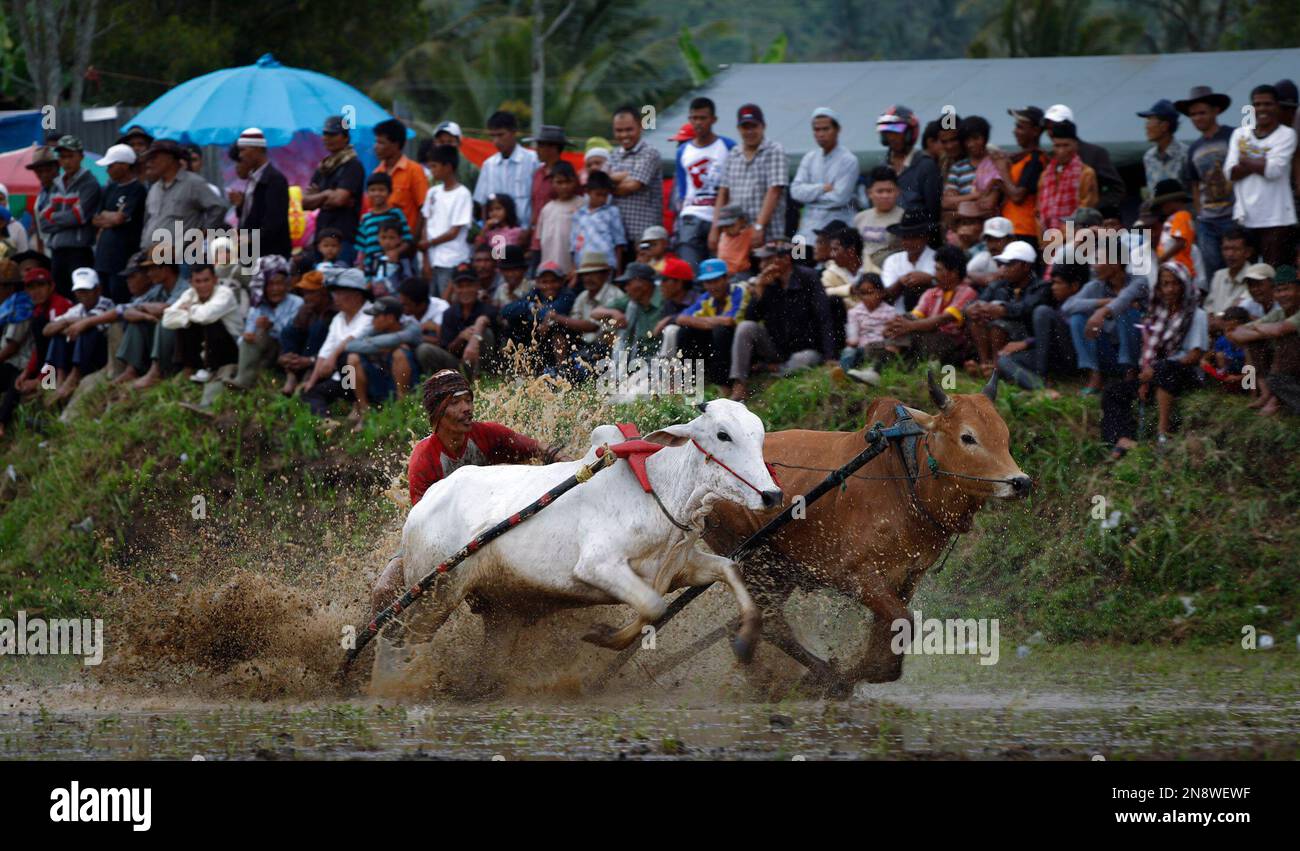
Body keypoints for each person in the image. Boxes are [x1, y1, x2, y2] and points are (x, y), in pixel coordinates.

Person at [370, 369, 556, 615]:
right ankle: (377, 644)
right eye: (456, 402)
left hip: (488, 532)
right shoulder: (424, 458)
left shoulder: (486, 434)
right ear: (438, 412)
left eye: (468, 400)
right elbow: (423, 525)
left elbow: (537, 449)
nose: (466, 408)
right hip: (439, 540)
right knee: (384, 590)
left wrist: (561, 457)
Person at [1101, 262, 1207, 456]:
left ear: (1183, 285)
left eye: (1175, 284)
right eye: (1165, 284)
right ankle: (1123, 439)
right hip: (1156, 371)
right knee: (1113, 392)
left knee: (1167, 369)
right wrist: (1145, 376)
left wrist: (1157, 369)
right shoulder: (1158, 312)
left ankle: (1162, 435)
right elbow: (1150, 350)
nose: (1170, 289)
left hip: (1184, 372)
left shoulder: (1196, 314)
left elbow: (1195, 355)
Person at [730, 240, 836, 400]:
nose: (762, 265)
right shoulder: (766, 281)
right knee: (746, 327)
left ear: (786, 259)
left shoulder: (808, 277)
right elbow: (751, 318)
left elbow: (824, 318)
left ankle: (776, 373)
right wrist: (759, 289)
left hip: (805, 347)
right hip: (776, 346)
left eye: (767, 260)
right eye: (761, 261)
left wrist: (830, 356)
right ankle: (739, 384)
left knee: (804, 359)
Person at [1224, 84, 1298, 267]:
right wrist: (1261, 161)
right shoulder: (1239, 134)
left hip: (1277, 218)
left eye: (1268, 104)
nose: (1262, 109)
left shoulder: (1287, 135)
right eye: (1257, 104)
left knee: (1273, 274)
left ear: (1277, 106)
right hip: (1245, 217)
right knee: (1248, 275)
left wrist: (1245, 159)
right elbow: (1230, 172)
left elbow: (1274, 170)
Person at [997, 260, 1088, 393]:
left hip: (1071, 358)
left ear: (1074, 286)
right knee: (1004, 360)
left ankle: (1041, 376)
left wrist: (1027, 343)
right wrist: (1027, 343)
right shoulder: (1058, 303)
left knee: (1042, 311)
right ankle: (1041, 388)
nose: (1053, 287)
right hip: (1051, 357)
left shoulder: (1083, 304)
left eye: (1058, 283)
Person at [1064, 254, 1148, 395]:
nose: (1094, 266)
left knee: (1125, 310)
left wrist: (1101, 312)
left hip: (1139, 355)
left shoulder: (1139, 281)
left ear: (1115, 263)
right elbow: (1067, 306)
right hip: (1109, 352)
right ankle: (1095, 377)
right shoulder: (1096, 285)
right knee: (1077, 318)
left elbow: (1124, 298)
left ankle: (1130, 376)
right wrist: (1105, 302)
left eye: (1098, 260)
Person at [964, 240, 1049, 375]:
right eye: (1003, 263)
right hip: (1004, 334)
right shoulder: (999, 285)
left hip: (1027, 337)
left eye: (1010, 264)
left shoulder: (1041, 286)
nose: (1004, 268)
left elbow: (1026, 308)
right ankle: (985, 364)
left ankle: (997, 369)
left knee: (999, 325)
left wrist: (1002, 309)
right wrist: (971, 308)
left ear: (1025, 266)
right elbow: (976, 302)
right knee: (977, 319)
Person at [884, 245, 978, 365]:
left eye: (938, 270)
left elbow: (942, 319)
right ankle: (893, 355)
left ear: (953, 273)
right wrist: (897, 324)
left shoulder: (967, 292)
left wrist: (908, 326)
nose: (934, 274)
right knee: (901, 324)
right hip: (928, 337)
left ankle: (887, 360)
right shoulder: (931, 293)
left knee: (908, 332)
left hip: (951, 343)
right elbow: (914, 316)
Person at [711, 104, 788, 252]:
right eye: (745, 127)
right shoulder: (733, 153)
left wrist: (759, 226)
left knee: (767, 273)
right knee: (737, 274)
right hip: (736, 233)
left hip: (768, 232)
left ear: (763, 126)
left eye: (754, 126)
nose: (750, 131)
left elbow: (775, 191)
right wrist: (715, 228)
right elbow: (723, 193)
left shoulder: (774, 150)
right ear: (739, 129)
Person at [1177, 86, 1235, 278]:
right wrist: (1199, 215)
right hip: (1208, 220)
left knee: (1239, 266)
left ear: (1216, 111)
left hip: (1233, 215)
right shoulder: (1194, 148)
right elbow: (1194, 184)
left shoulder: (1233, 137)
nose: (1197, 118)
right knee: (1213, 271)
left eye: (1202, 112)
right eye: (1193, 115)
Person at [162, 263, 241, 402]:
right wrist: (190, 313)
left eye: (206, 280)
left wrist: (189, 309)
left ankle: (211, 368)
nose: (202, 285)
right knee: (184, 324)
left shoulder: (224, 293)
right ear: (191, 282)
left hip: (231, 346)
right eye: (198, 281)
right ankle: (191, 367)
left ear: (215, 280)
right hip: (206, 345)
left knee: (209, 322)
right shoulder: (189, 293)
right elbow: (167, 319)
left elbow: (206, 316)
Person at [1228, 265, 1300, 416]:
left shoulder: (1282, 308)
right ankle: (1263, 394)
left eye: (1287, 289)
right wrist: (1262, 331)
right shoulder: (1273, 310)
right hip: (1275, 363)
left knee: (1285, 339)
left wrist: (1259, 329)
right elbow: (1235, 333)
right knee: (1253, 344)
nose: (1255, 289)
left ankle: (1273, 397)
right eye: (1279, 290)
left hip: (1289, 364)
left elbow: (1280, 330)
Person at [660, 257, 745, 384]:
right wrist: (708, 322)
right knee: (686, 332)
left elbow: (729, 321)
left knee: (721, 331)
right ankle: (690, 382)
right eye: (707, 282)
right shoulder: (706, 298)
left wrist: (702, 322)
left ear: (726, 278)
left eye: (715, 281)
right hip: (717, 347)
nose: (712, 286)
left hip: (742, 347)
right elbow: (682, 318)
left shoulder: (739, 291)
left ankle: (724, 385)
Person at [342, 295, 422, 428]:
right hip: (380, 382)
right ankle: (363, 409)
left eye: (376, 316)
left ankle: (401, 405)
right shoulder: (374, 330)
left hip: (411, 383)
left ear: (390, 318)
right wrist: (381, 348)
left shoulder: (411, 328)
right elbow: (350, 346)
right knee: (352, 358)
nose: (372, 320)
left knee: (399, 354)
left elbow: (394, 339)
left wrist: (373, 344)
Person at [673, 97, 734, 268]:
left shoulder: (728, 146)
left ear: (713, 120)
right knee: (689, 269)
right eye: (694, 118)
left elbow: (734, 187)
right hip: (691, 216)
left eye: (703, 118)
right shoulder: (683, 151)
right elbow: (683, 191)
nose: (698, 123)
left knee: (717, 271)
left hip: (719, 217)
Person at [300, 268, 373, 410]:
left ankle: (357, 403)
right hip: (341, 378)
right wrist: (312, 381)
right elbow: (326, 349)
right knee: (311, 393)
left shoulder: (371, 313)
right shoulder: (338, 318)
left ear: (357, 295)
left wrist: (333, 356)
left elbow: (355, 338)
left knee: (346, 356)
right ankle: (327, 423)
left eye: (341, 293)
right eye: (335, 294)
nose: (336, 298)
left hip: (365, 375)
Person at [139, 140, 229, 254]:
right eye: (148, 159)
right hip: (153, 258)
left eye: (154, 158)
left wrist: (199, 237)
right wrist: (144, 248)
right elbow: (148, 222)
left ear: (169, 158)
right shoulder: (154, 189)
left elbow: (218, 207)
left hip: (182, 257)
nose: (149, 163)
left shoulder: (193, 183)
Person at [41, 136, 103, 298]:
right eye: (62, 157)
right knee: (60, 296)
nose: (66, 161)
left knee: (81, 297)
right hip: (57, 251)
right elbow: (43, 221)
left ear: (81, 156)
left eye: (70, 156)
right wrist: (65, 218)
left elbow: (80, 216)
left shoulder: (89, 183)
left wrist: (53, 216)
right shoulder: (56, 184)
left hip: (79, 251)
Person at [302, 116, 366, 266]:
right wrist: (327, 194)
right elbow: (304, 203)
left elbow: (339, 199)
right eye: (325, 134)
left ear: (345, 138)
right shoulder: (324, 166)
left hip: (343, 239)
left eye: (332, 134)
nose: (327, 138)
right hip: (321, 237)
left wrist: (319, 197)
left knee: (339, 282)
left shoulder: (352, 165)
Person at [227, 261, 302, 390]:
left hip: (285, 351)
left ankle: (245, 379)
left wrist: (271, 327)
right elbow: (245, 337)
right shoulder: (257, 305)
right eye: (270, 284)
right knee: (251, 336)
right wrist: (248, 336)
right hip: (262, 350)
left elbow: (292, 334)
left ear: (286, 285)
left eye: (279, 283)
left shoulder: (297, 303)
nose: (275, 289)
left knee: (264, 331)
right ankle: (244, 377)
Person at [43, 267, 114, 401]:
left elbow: (90, 321)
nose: (83, 295)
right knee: (58, 335)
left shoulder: (106, 304)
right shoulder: (77, 309)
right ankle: (60, 378)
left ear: (98, 290)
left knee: (87, 328)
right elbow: (47, 330)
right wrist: (68, 324)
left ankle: (74, 377)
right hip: (81, 352)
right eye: (79, 291)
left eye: (87, 291)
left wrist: (73, 324)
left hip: (100, 354)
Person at [790, 107, 859, 242]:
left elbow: (839, 198)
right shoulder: (809, 157)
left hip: (836, 228)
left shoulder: (849, 160)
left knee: (832, 262)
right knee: (797, 257)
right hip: (806, 228)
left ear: (837, 130)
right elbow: (795, 192)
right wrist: (822, 188)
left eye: (825, 129)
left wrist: (809, 197)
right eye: (817, 130)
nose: (821, 134)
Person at [91, 144, 147, 305]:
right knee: (103, 300)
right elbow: (96, 218)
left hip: (123, 257)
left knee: (120, 297)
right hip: (103, 257)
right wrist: (112, 216)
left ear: (124, 165)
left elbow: (120, 218)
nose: (107, 170)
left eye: (111, 165)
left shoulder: (137, 189)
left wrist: (111, 217)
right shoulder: (109, 188)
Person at [473, 111, 540, 244]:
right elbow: (482, 204)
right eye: (493, 136)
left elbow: (539, 200)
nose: (496, 141)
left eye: (501, 135)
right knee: (499, 262)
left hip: (527, 235)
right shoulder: (489, 165)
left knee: (523, 264)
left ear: (514, 132)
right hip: (498, 238)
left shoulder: (533, 161)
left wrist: (531, 231)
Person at [1043, 104, 1124, 208]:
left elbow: (1116, 189)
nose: (1051, 131)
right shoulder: (1050, 158)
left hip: (1084, 220)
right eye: (1047, 127)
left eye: (1055, 125)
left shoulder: (1095, 153)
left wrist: (1092, 209)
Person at [417, 145, 472, 298]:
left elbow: (454, 232)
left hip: (451, 259)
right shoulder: (432, 192)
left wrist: (428, 243)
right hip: (431, 258)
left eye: (434, 166)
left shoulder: (462, 194)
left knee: (446, 301)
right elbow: (425, 223)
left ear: (448, 167)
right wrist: (426, 257)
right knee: (431, 301)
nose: (431, 170)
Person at [423, 265, 497, 377]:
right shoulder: (449, 313)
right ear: (454, 288)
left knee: (486, 333)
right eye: (460, 286)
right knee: (424, 349)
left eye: (469, 286)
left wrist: (474, 339)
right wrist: (461, 338)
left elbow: (484, 319)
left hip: (484, 364)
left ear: (477, 286)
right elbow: (447, 349)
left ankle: (483, 378)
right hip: (457, 365)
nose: (465, 290)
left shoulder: (487, 308)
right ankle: (441, 384)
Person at [229, 128, 291, 259]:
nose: (240, 156)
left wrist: (249, 239)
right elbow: (253, 216)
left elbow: (274, 222)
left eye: (243, 150)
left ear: (256, 150)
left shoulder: (275, 180)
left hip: (268, 255)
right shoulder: (253, 179)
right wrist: (241, 206)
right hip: (250, 253)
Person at [608, 105, 664, 250]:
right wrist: (626, 175)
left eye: (629, 129)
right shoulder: (613, 155)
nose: (624, 135)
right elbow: (600, 183)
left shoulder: (650, 153)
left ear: (640, 127)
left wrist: (609, 182)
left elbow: (632, 185)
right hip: (617, 235)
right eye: (619, 130)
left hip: (644, 234)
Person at [876, 105, 941, 224]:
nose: (892, 137)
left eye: (897, 132)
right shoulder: (882, 166)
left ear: (909, 133)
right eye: (888, 132)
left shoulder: (925, 165)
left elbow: (933, 211)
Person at [996, 106, 1049, 248]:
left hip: (1024, 229)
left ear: (1035, 131)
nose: (1015, 131)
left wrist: (1002, 170)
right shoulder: (1023, 158)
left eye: (1020, 127)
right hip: (1014, 227)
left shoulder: (1035, 160)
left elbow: (1017, 196)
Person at [834, 273, 900, 385]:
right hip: (862, 349)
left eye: (870, 293)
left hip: (880, 348)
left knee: (885, 355)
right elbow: (853, 335)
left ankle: (869, 373)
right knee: (848, 352)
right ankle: (844, 373)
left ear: (882, 293)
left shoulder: (890, 312)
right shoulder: (855, 312)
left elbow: (892, 334)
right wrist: (852, 341)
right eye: (863, 294)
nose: (866, 297)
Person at [278, 270, 336, 396]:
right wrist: (286, 356)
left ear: (324, 292)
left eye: (311, 293)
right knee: (288, 331)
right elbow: (294, 332)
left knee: (318, 328)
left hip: (323, 359)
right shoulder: (307, 308)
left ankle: (308, 377)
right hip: (303, 355)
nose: (306, 297)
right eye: (304, 293)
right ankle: (291, 375)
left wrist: (309, 360)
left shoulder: (334, 311)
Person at [1037, 121, 1099, 238]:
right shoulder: (1045, 175)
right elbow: (1039, 211)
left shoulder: (1085, 173)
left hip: (1074, 240)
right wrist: (1043, 239)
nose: (1061, 151)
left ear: (1075, 145)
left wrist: (1065, 237)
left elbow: (1084, 211)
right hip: (1048, 241)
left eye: (1066, 145)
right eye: (1057, 145)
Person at [371, 118, 427, 237]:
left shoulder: (414, 170)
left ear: (395, 145)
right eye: (376, 142)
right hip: (379, 244)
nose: (375, 147)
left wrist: (413, 242)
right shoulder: (376, 173)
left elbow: (424, 209)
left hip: (405, 243)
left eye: (381, 143)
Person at [531, 161, 582, 276]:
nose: (564, 186)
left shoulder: (582, 205)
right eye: (559, 182)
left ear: (575, 181)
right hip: (549, 270)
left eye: (568, 182)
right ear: (552, 183)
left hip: (572, 270)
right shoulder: (547, 209)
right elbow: (539, 241)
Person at [880, 208, 936, 312]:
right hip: (897, 318)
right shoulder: (892, 260)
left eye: (914, 237)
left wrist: (930, 280)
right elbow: (885, 297)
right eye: (905, 237)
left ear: (926, 237)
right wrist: (900, 283)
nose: (909, 242)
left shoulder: (938, 258)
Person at [569, 170, 626, 272]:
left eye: (605, 195)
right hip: (582, 265)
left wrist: (618, 270)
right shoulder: (578, 214)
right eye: (598, 194)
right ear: (588, 192)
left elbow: (619, 243)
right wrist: (574, 267)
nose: (602, 199)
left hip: (606, 264)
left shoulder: (612, 212)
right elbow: (574, 244)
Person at [355, 173, 413, 274]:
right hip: (371, 268)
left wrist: (396, 252)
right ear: (367, 193)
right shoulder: (366, 218)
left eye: (381, 190)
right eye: (372, 190)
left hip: (393, 267)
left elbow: (407, 239)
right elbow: (361, 246)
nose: (377, 193)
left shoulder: (396, 214)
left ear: (389, 192)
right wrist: (360, 265)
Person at [852, 166, 905, 267]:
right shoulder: (860, 218)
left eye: (889, 191)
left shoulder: (904, 218)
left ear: (898, 192)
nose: (885, 196)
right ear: (869, 193)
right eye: (880, 191)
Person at [525, 125, 569, 243]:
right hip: (536, 237)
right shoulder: (537, 174)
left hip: (557, 237)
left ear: (553, 148)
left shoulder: (567, 175)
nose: (536, 150)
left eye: (540, 146)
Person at [1204, 228, 1253, 333]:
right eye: (1226, 249)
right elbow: (1209, 309)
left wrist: (1217, 320)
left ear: (1248, 252)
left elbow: (1238, 314)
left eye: (1235, 249)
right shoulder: (1218, 275)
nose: (1230, 254)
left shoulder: (1253, 277)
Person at [1137, 99, 1188, 198]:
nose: (1146, 127)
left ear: (1164, 126)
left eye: (1149, 121)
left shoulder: (1186, 154)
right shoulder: (1148, 157)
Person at [1151, 179, 1197, 281]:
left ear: (1170, 202)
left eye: (1162, 204)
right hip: (1172, 269)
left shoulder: (1181, 215)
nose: (1161, 209)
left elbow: (1181, 242)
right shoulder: (1171, 219)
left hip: (1180, 268)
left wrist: (1162, 259)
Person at [715, 203, 757, 277]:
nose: (726, 229)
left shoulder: (747, 234)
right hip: (723, 274)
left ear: (742, 221)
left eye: (730, 225)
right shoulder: (723, 235)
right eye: (724, 226)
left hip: (740, 273)